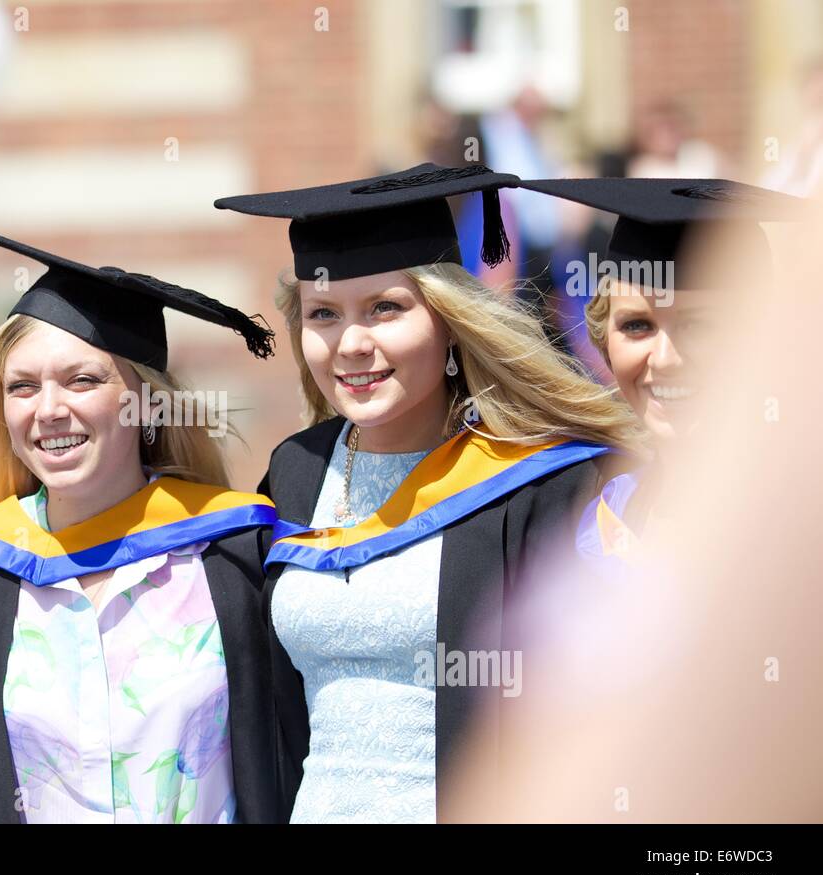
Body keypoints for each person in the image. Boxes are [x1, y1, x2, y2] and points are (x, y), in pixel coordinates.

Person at [215, 162, 642, 823]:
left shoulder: (536, 484)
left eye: (385, 308)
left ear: (446, 320)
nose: (352, 343)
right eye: (324, 313)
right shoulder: (296, 473)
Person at [0, 223, 283, 823]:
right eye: (23, 387)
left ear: (148, 402)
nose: (49, 409)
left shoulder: (234, 555)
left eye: (83, 380)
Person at [518, 177, 805, 567]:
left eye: (699, 327)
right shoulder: (602, 514)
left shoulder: (799, 516)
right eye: (637, 326)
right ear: (604, 342)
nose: (665, 359)